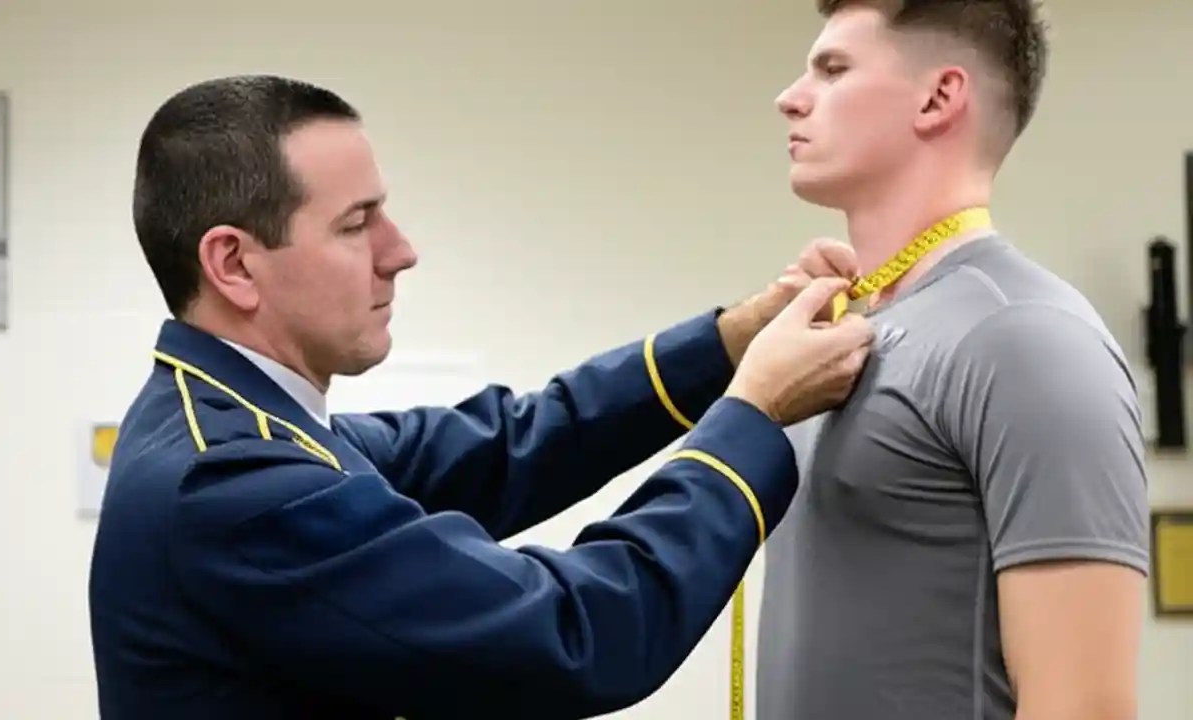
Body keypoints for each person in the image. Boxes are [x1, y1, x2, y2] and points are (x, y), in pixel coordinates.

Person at [87, 74, 875, 720]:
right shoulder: (234, 483)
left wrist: (727, 345)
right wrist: (751, 417)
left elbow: (516, 442)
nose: (401, 251)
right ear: (233, 264)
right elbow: (578, 633)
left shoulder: (240, 425)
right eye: (356, 225)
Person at [755, 2, 1150, 720]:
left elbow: (1084, 707)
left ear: (938, 98)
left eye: (834, 69)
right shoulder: (820, 347)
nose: (790, 97)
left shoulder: (1026, 338)